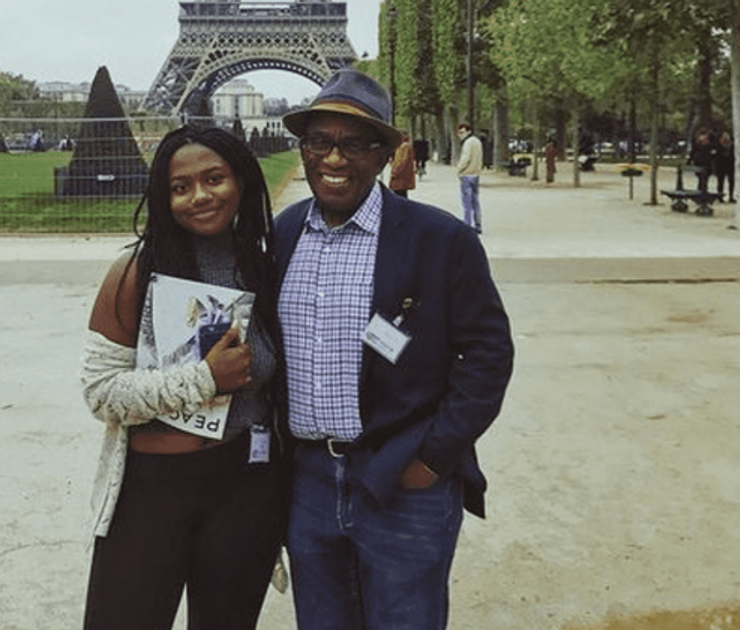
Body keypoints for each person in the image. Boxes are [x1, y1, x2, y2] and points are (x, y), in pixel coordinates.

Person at [277, 68, 515, 630]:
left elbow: (488, 354)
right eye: (319, 141)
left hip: (402, 480)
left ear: (386, 154)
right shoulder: (282, 233)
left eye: (355, 144)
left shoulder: (441, 239)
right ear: (305, 149)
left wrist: (433, 457)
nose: (333, 158)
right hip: (308, 483)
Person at [79, 126, 286, 630]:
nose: (200, 196)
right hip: (153, 492)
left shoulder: (263, 268)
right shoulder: (134, 273)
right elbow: (101, 392)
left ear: (240, 179)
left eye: (214, 178)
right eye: (179, 187)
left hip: (246, 485)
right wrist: (203, 379)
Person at [455, 121, 484, 233]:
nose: (460, 135)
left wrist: (459, 169)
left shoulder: (467, 143)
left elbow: (466, 158)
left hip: (467, 174)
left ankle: (467, 225)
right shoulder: (477, 141)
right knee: (475, 201)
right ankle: (478, 224)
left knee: (466, 202)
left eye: (462, 132)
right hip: (476, 174)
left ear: (468, 131)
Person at [687, 127, 718, 193]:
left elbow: (693, 152)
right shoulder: (707, 144)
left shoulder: (698, 142)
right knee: (703, 176)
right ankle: (702, 189)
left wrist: (689, 160)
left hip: (701, 160)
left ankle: (702, 189)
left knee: (703, 177)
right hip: (704, 161)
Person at [389, 130, 417, 197]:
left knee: (399, 196)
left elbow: (401, 162)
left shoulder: (403, 147)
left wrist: (394, 172)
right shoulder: (405, 146)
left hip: (400, 178)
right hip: (403, 178)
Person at [715, 131, 736, 202]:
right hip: (721, 165)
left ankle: (731, 196)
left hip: (730, 165)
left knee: (731, 181)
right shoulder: (718, 145)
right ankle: (720, 196)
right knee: (720, 181)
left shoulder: (732, 145)